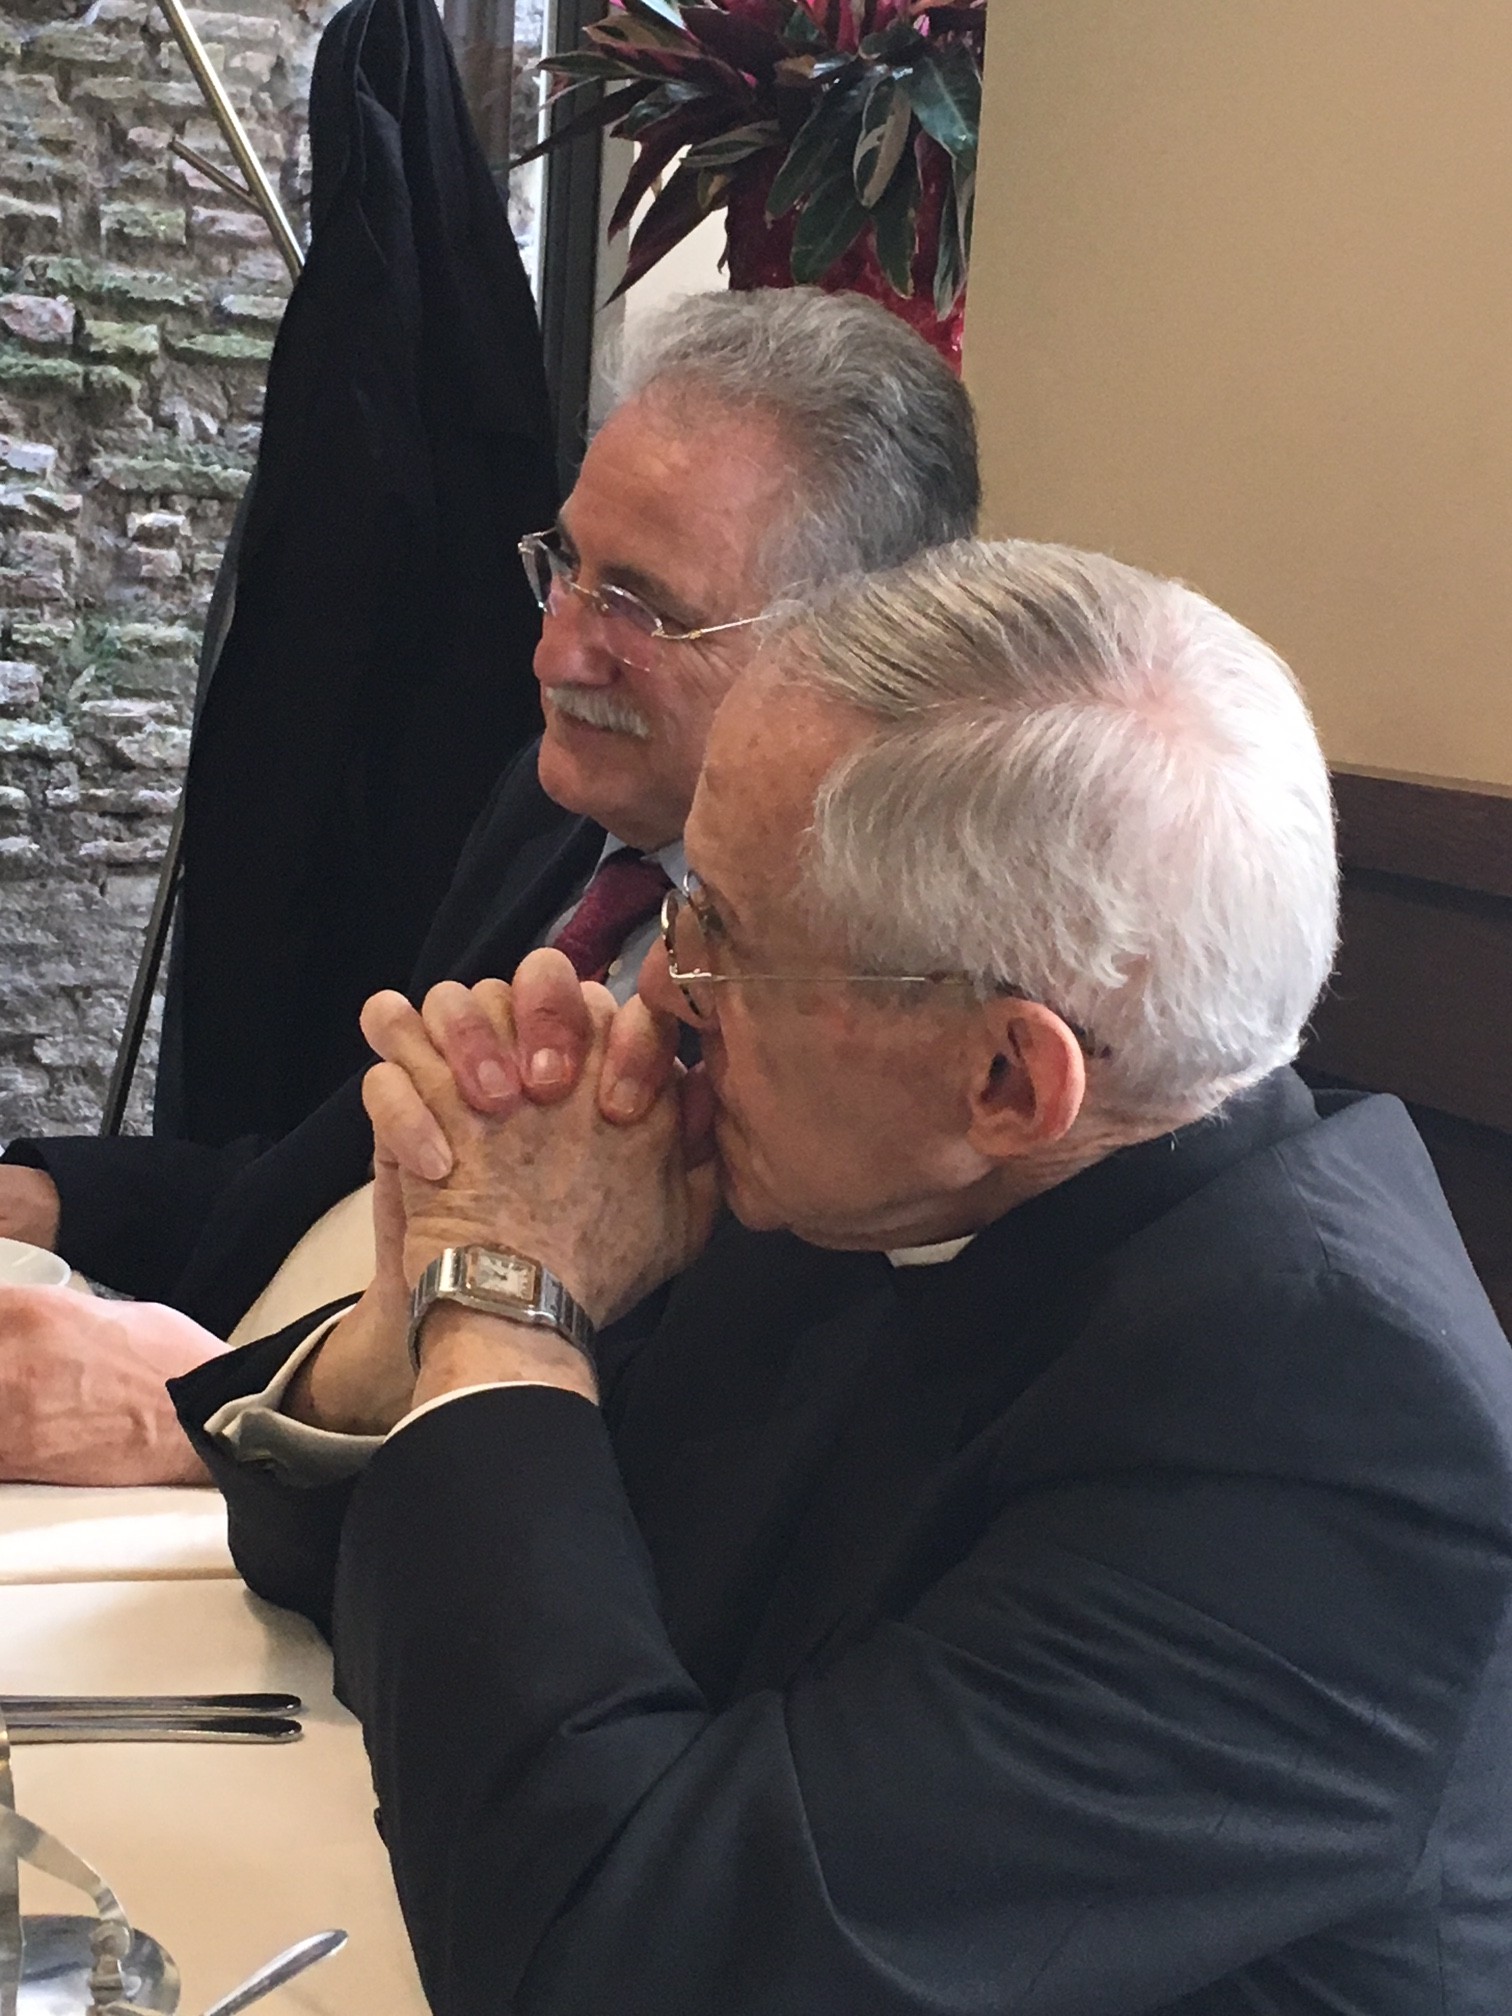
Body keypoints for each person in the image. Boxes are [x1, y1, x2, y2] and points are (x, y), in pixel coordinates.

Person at [174, 540, 1512, 2014]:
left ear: (1007, 1075)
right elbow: (402, 1579)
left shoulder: (1333, 1454)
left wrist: (506, 1301)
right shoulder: (876, 1153)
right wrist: (428, 1288)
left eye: (725, 933)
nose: (663, 983)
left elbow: (613, 1956)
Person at [0, 286, 980, 1482]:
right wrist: (44, 1201)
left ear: (857, 643)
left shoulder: (847, 996)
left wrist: (197, 1417)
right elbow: (325, 1175)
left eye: (644, 610)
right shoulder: (564, 820)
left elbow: (680, 1432)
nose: (558, 650)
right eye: (568, 567)